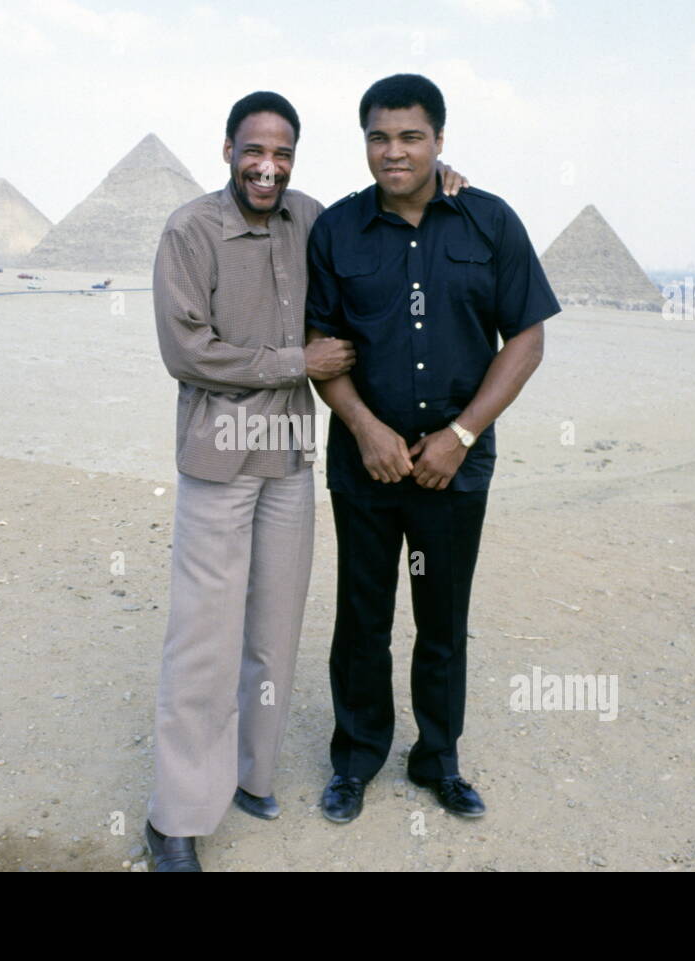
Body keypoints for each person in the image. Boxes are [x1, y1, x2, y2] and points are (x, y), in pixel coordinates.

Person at [147, 90, 469, 871]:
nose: (268, 166)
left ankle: (250, 774)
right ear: (228, 150)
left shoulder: (311, 219)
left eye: (283, 153)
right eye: (254, 150)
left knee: (274, 628)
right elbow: (188, 351)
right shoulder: (191, 230)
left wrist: (441, 182)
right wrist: (299, 363)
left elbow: (386, 221)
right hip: (222, 453)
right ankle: (176, 816)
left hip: (288, 454)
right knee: (204, 639)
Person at [305, 74, 560, 825]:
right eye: (380, 137)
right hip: (367, 464)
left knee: (443, 619)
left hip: (455, 467)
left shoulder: (487, 222)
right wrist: (364, 427)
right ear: (365, 143)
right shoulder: (338, 232)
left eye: (412, 136)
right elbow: (321, 346)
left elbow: (528, 337)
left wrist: (460, 435)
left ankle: (437, 759)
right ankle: (355, 757)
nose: (395, 152)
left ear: (440, 140)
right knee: (363, 615)